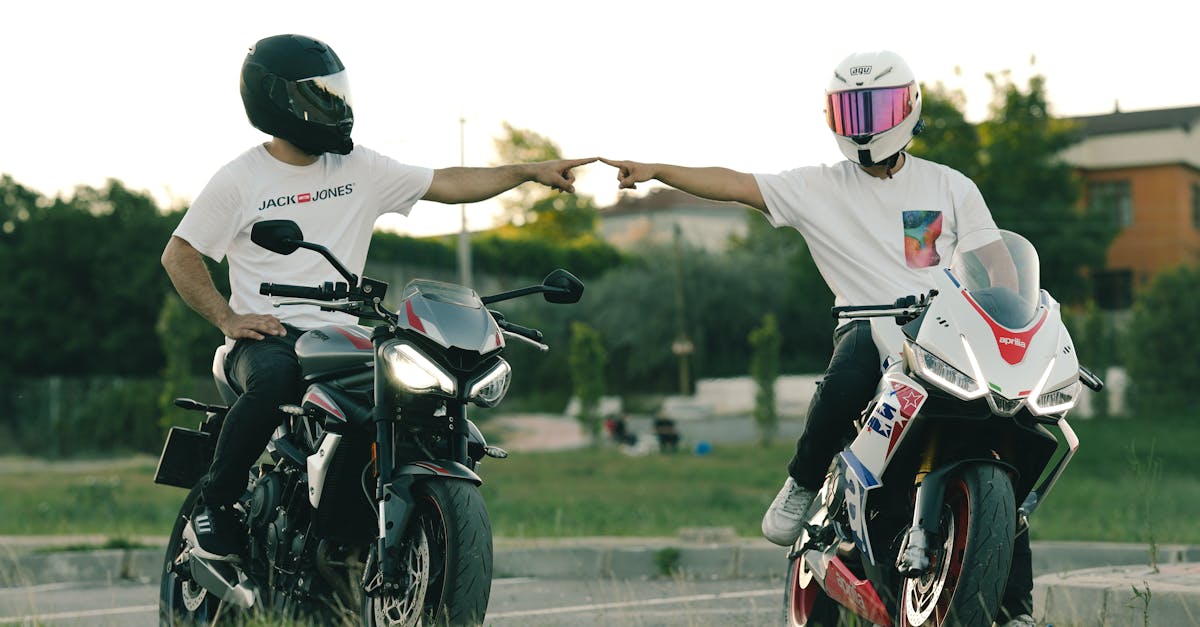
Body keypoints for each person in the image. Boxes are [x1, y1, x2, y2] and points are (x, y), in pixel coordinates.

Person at [601, 50, 1034, 626]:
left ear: (908, 108)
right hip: (868, 327)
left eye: (876, 106)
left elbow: (996, 265)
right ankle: (804, 482)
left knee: (1006, 441)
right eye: (849, 109)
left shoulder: (949, 186)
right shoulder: (816, 188)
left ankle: (1017, 611)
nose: (864, 122)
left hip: (943, 335)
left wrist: (1013, 317)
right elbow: (733, 184)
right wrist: (658, 170)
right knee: (855, 355)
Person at [161, 33, 594, 562]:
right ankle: (217, 502)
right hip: (267, 336)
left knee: (417, 392)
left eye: (335, 91)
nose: (334, 104)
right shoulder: (240, 179)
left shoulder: (359, 168)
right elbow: (179, 253)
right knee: (276, 379)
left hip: (344, 333)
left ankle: (367, 522)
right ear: (278, 100)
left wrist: (528, 172)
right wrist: (228, 318)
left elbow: (449, 182)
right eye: (318, 94)